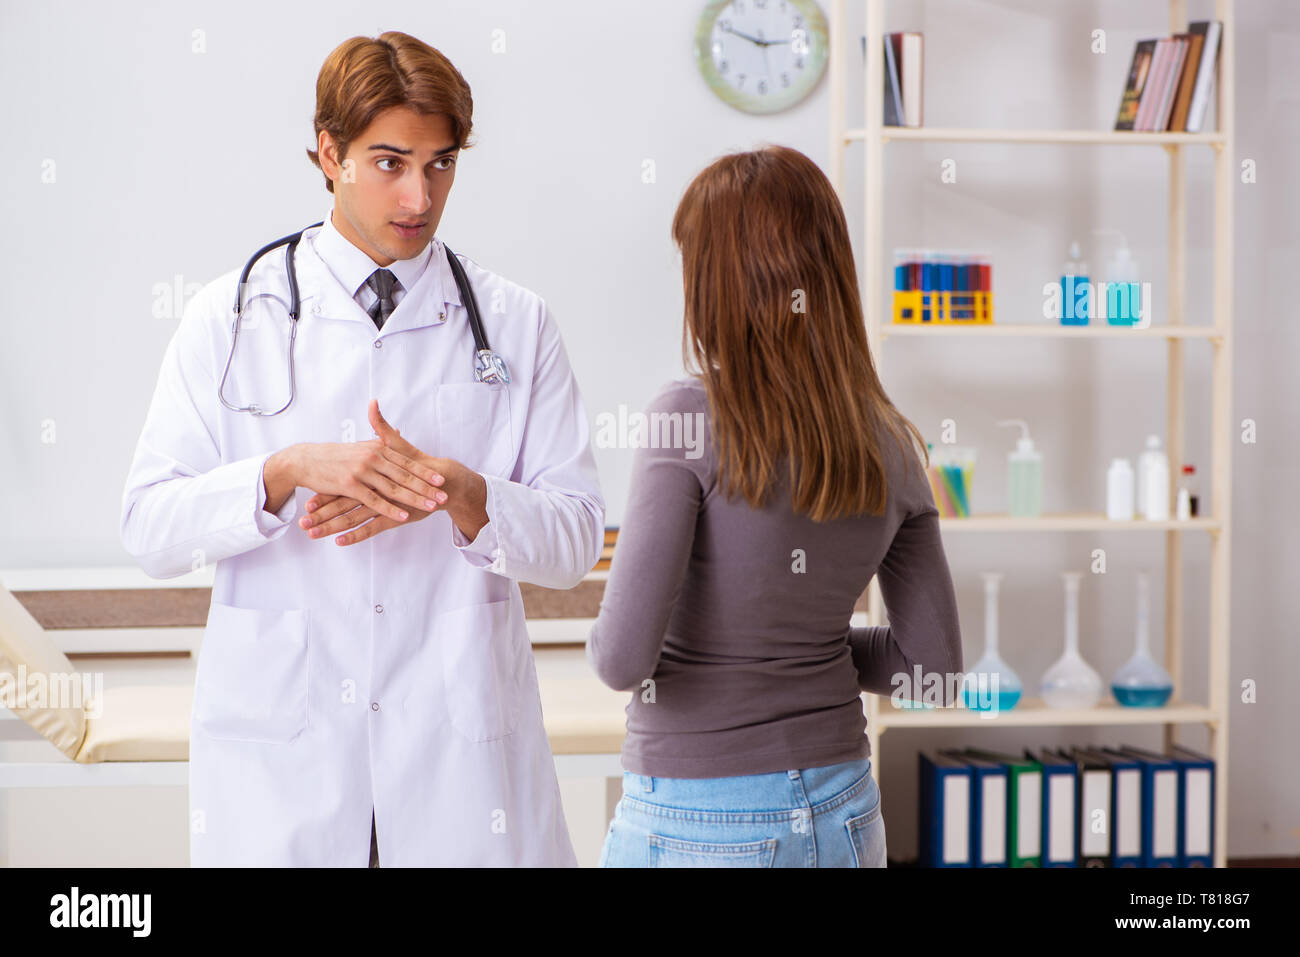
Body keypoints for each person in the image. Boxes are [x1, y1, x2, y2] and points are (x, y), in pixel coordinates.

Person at [120, 31, 604, 866]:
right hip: (287, 769)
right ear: (329, 153)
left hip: (459, 766)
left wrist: (462, 490)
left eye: (442, 163)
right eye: (390, 162)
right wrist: (282, 474)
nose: (420, 194)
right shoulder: (229, 319)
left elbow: (575, 543)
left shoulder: (516, 322)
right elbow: (149, 528)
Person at [587, 145, 962, 868]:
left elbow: (620, 659)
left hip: (702, 816)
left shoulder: (687, 416)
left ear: (722, 281)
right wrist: (803, 649)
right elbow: (935, 671)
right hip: (844, 812)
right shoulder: (891, 440)